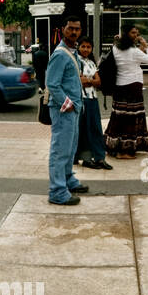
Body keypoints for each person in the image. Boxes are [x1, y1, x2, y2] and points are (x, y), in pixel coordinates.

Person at [46, 19, 88, 204]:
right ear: (63, 29)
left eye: (77, 29)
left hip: (74, 108)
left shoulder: (74, 53)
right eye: (70, 28)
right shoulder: (60, 54)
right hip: (64, 110)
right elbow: (52, 84)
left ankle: (68, 179)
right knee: (60, 150)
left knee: (70, 149)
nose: (73, 32)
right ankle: (57, 191)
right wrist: (67, 103)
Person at [105, 27, 148, 157]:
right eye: (133, 33)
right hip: (133, 85)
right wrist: (146, 46)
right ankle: (126, 150)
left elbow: (130, 57)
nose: (136, 35)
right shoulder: (133, 51)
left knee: (119, 116)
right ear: (126, 34)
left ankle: (115, 146)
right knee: (131, 117)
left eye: (137, 33)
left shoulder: (116, 48)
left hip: (119, 85)